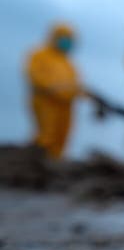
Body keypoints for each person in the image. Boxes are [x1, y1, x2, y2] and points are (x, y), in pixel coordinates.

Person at [25, 23, 83, 158]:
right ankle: (36, 159)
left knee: (62, 135)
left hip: (65, 106)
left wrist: (79, 92)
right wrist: (53, 87)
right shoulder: (40, 55)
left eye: (69, 39)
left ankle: (54, 161)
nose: (67, 42)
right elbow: (34, 75)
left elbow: (76, 85)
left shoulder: (68, 64)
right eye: (64, 38)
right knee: (47, 133)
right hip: (46, 102)